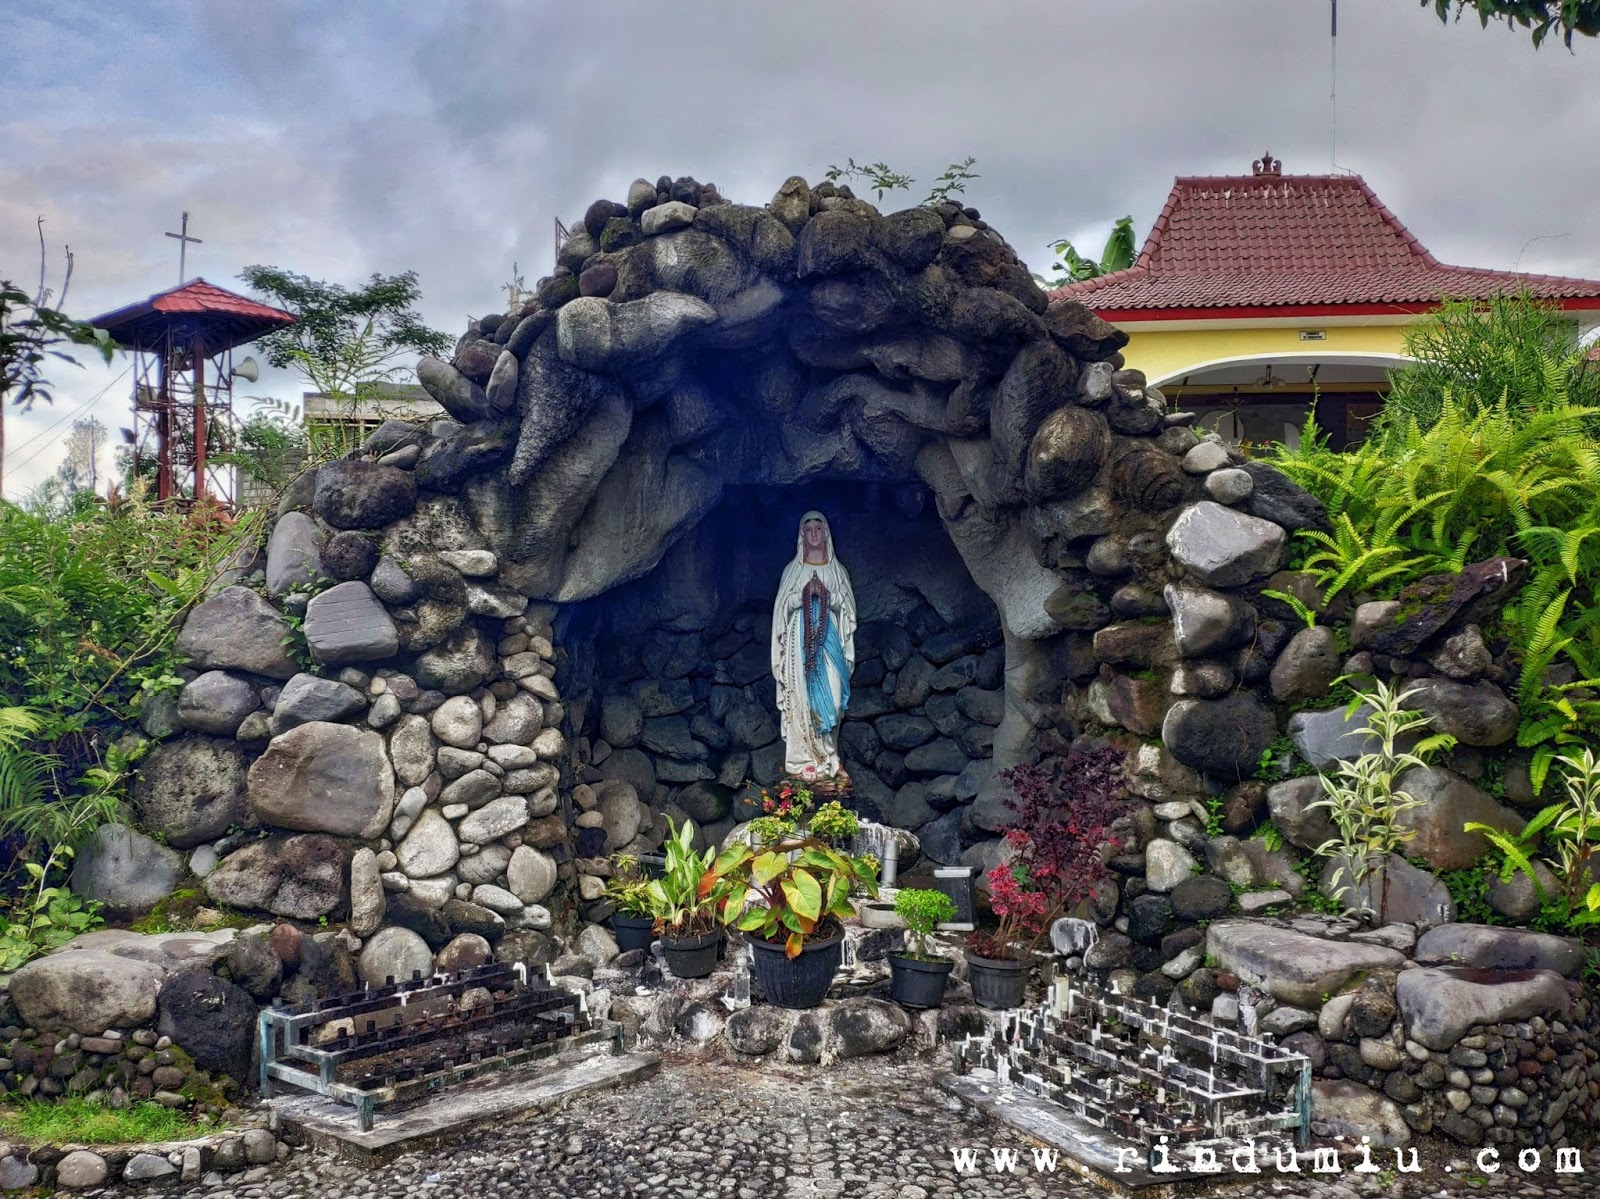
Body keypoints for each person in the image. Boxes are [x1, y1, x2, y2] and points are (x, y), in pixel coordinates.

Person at [770, 510, 856, 780]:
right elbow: (781, 611)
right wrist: (801, 597)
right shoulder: (792, 571)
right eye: (808, 529)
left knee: (832, 695)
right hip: (800, 646)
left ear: (827, 534)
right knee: (802, 697)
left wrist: (827, 598)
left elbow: (849, 611)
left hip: (829, 641)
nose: (814, 533)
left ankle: (830, 757)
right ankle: (805, 760)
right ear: (802, 536)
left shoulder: (837, 571)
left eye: (819, 528)